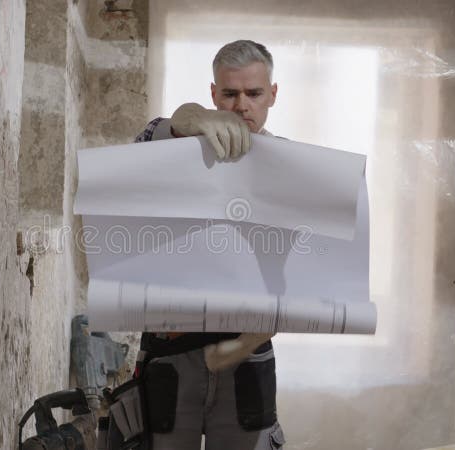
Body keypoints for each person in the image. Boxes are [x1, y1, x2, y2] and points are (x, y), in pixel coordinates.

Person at [133, 40, 285, 450]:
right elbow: (138, 150)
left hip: (246, 353)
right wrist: (187, 119)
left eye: (253, 94)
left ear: (272, 94)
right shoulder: (180, 144)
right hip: (171, 350)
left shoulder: (291, 167)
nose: (241, 106)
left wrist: (263, 327)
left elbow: (305, 263)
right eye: (229, 94)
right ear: (214, 93)